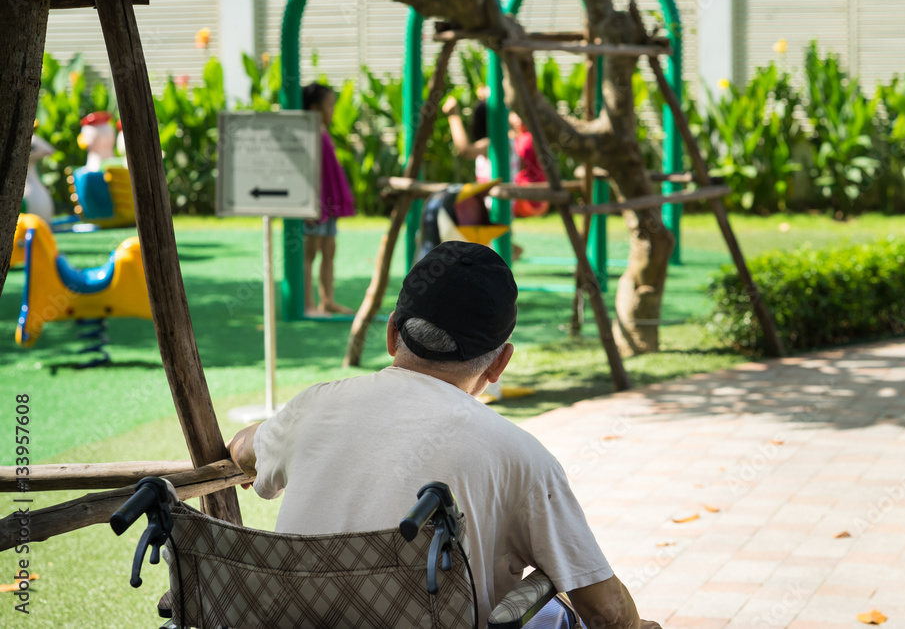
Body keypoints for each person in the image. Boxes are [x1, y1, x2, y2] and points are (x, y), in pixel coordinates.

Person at [228, 241, 660, 629]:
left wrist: (260, 438)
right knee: (560, 613)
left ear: (393, 331)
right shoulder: (522, 458)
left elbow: (242, 449)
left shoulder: (311, 406)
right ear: (498, 364)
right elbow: (607, 611)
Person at [302, 82, 355, 316]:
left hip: (328, 203)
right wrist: (308, 204)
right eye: (329, 105)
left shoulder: (323, 130)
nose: (332, 110)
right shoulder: (309, 132)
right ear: (314, 108)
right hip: (314, 203)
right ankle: (307, 304)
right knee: (309, 252)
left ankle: (327, 300)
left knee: (329, 249)